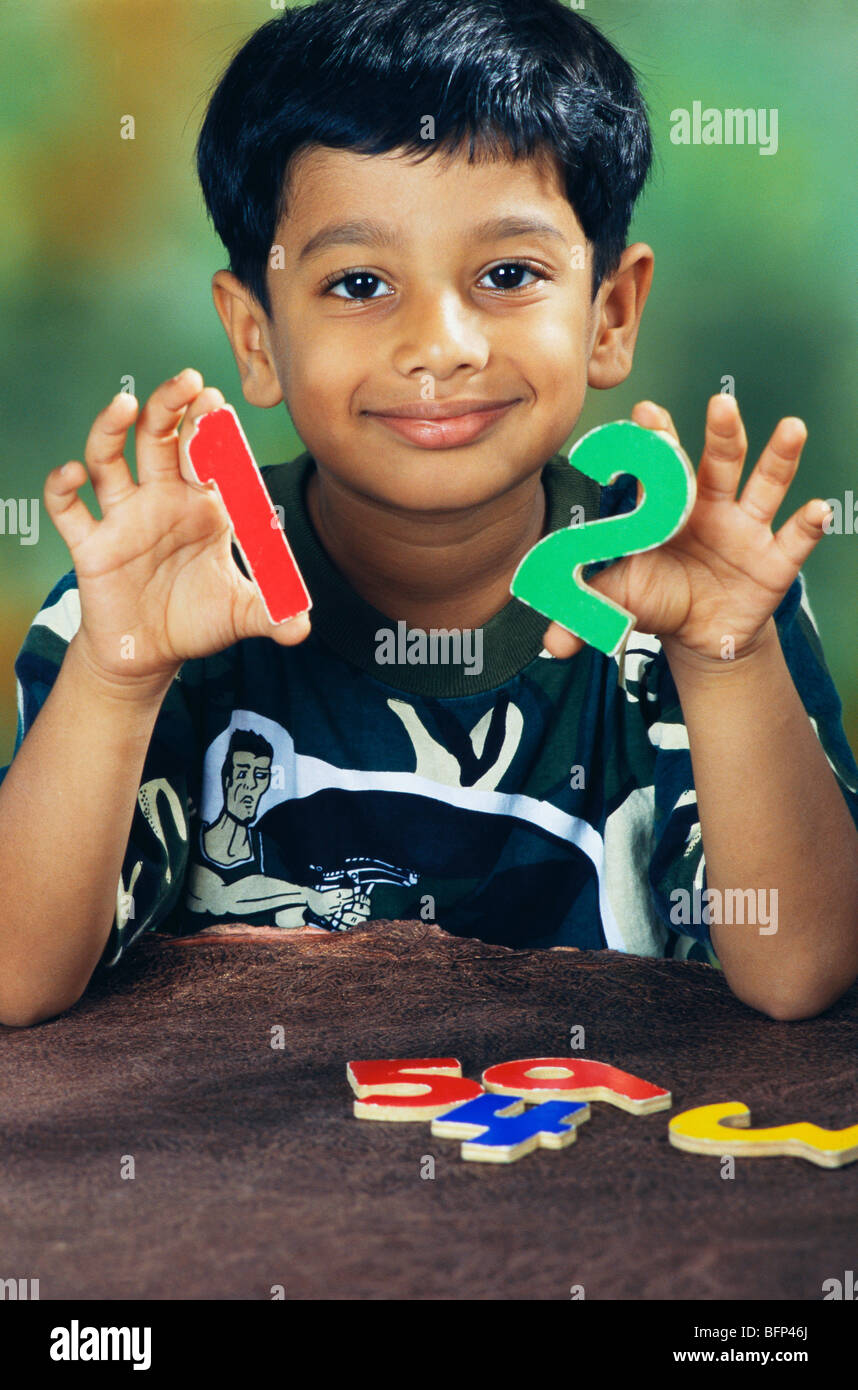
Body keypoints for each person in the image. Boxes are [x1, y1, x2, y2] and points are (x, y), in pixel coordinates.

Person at [2, 0, 857, 1027]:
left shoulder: (697, 596)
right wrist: (116, 670)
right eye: (360, 282)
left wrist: (728, 659)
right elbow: (15, 977)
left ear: (611, 314)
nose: (441, 344)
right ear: (258, 337)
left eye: (508, 275)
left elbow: (802, 971)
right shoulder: (164, 595)